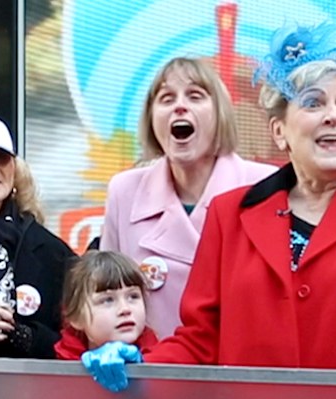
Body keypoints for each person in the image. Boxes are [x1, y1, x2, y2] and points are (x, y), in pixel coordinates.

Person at [83, 22, 336, 392]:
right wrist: (142, 365)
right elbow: (202, 340)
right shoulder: (230, 214)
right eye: (314, 103)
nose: (334, 115)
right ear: (279, 130)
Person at [101, 57, 276, 338]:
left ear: (220, 113)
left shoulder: (265, 186)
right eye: (166, 98)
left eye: (195, 96)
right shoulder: (124, 191)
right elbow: (105, 292)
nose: (179, 106)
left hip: (239, 373)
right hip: (154, 373)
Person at [0, 114, 77, 358]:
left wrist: (22, 336)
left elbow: (73, 340)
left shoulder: (52, 251)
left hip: (32, 389)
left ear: (15, 169)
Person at [53, 250, 159, 360]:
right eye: (108, 300)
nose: (125, 309)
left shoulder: (162, 362)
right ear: (76, 318)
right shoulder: (58, 372)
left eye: (133, 296)